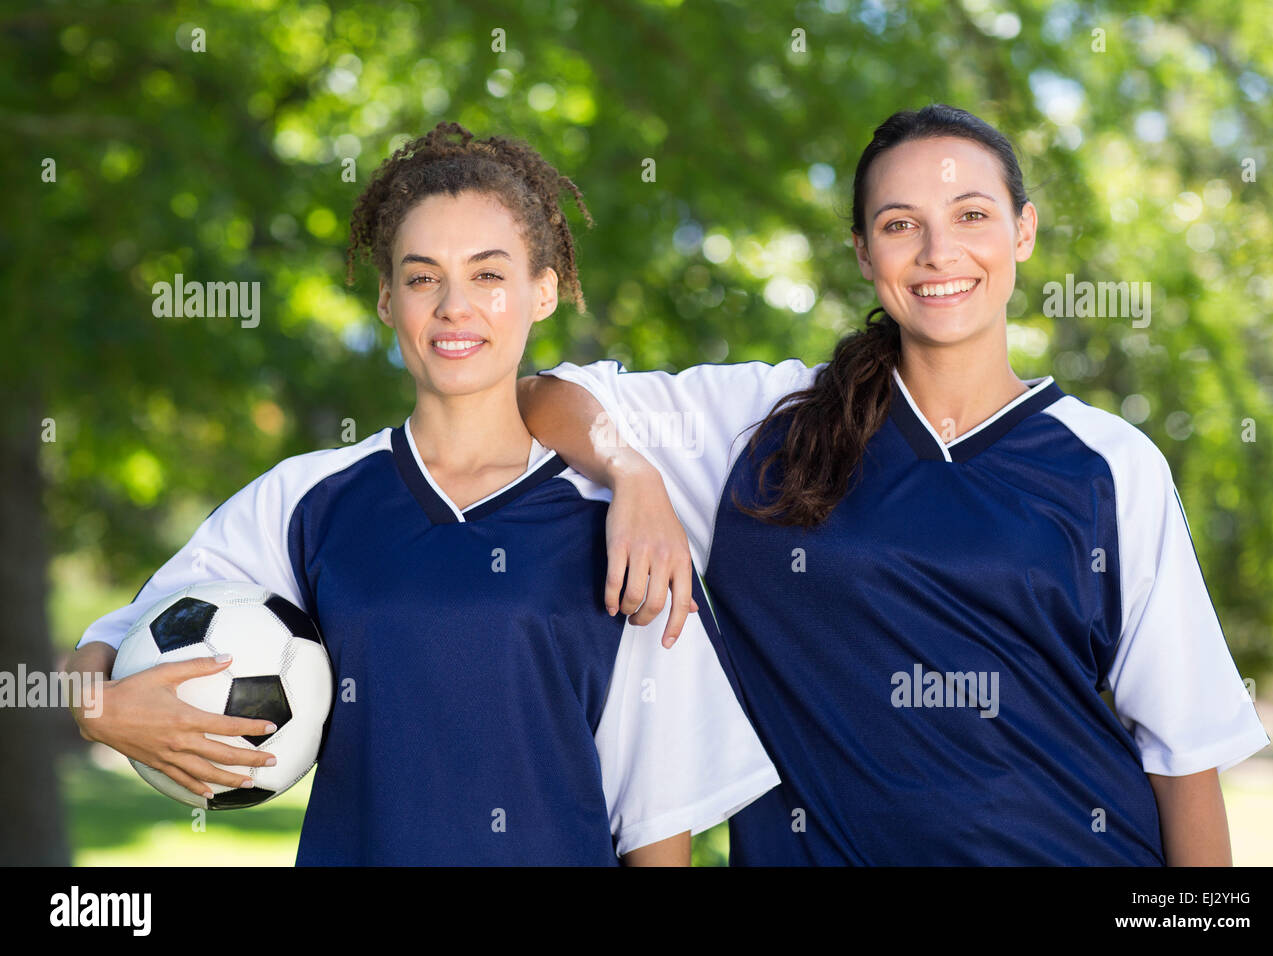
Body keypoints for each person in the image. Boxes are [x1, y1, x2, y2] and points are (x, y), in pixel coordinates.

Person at [517, 104, 1270, 865]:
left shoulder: (1111, 464)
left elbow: (1184, 761)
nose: (940, 252)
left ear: (1023, 232)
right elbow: (539, 397)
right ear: (863, 252)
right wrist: (632, 471)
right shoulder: (757, 426)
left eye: (972, 214)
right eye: (901, 224)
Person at [67, 122, 779, 866]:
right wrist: (96, 710)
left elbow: (655, 816)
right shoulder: (306, 500)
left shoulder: (624, 531)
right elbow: (116, 639)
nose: (453, 306)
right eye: (421, 276)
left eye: (488, 275)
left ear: (543, 292)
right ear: (386, 302)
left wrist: (634, 476)